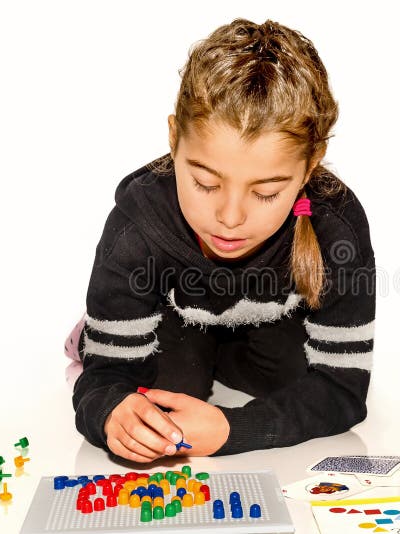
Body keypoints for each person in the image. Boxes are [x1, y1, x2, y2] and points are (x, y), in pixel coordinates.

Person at [67, 18, 376, 462]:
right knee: (166, 397)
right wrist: (110, 411)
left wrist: (234, 428)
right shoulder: (136, 229)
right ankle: (94, 331)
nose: (230, 219)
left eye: (266, 192)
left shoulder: (336, 228)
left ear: (310, 167)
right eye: (206, 184)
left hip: (265, 323)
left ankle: (219, 348)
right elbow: (103, 383)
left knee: (293, 382)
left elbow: (344, 389)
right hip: (172, 312)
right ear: (174, 140)